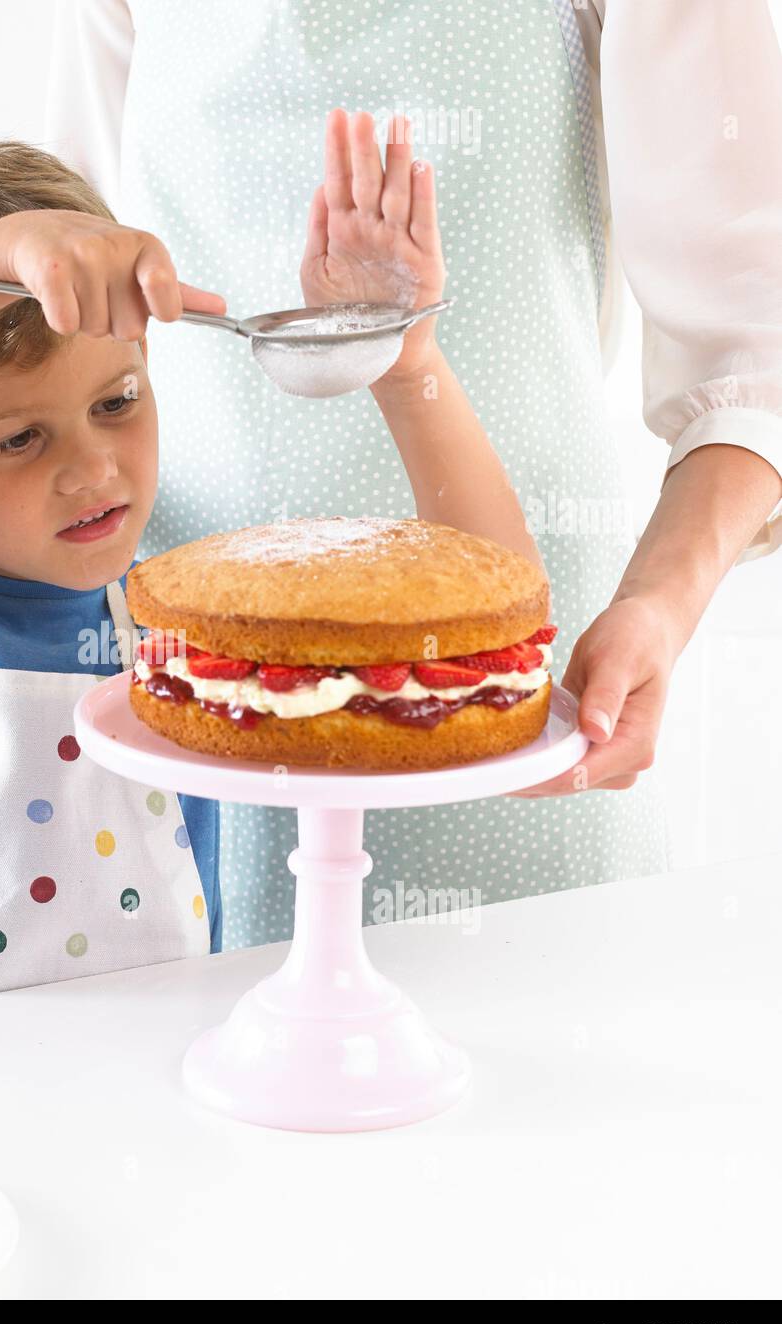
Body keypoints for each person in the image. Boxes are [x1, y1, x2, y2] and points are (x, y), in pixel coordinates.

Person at [0, 122, 541, 1026]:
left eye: (117, 402)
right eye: (18, 438)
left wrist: (407, 364)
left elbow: (500, 619)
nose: (92, 469)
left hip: (139, 1124)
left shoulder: (187, 629)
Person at [43, 0, 782, 949]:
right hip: (189, 663)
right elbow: (66, 268)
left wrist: (659, 608)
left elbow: (752, 360)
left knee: (525, 1042)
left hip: (517, 653)